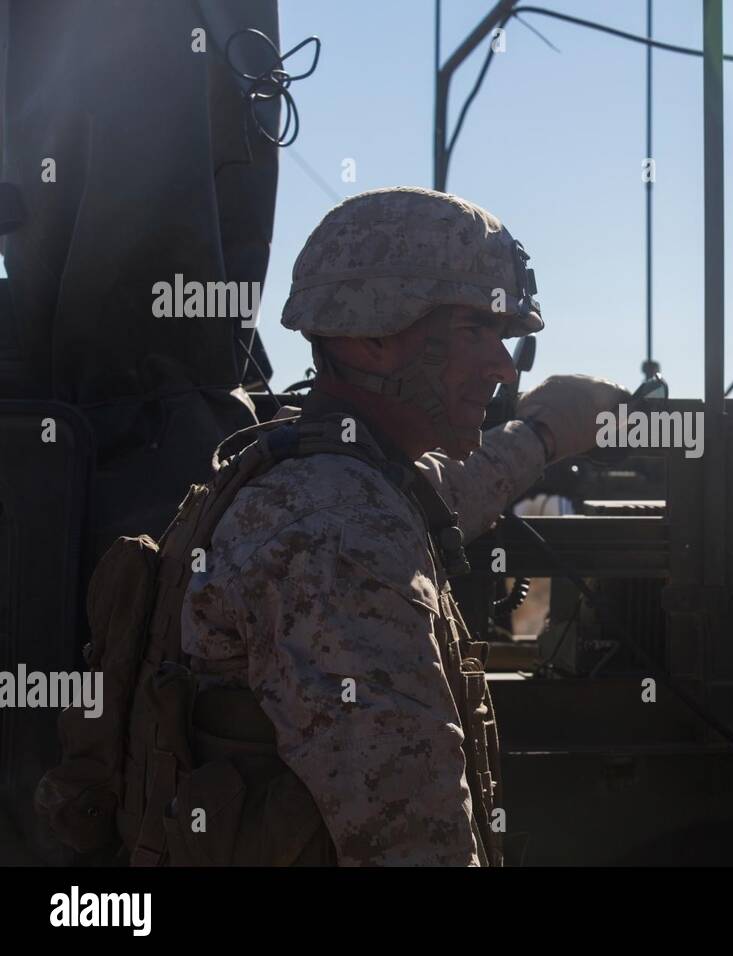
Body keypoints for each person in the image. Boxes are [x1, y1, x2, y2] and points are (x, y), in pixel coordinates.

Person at [181, 187, 625, 865]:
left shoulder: (332, 472)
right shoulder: (337, 533)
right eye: (477, 332)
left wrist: (542, 432)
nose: (504, 368)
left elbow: (444, 492)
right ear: (373, 335)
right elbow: (414, 845)